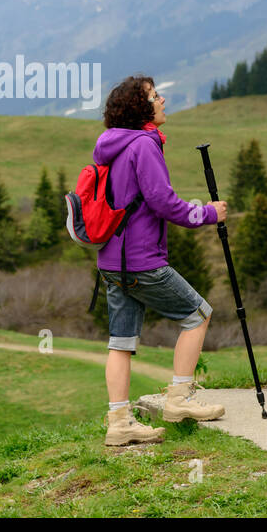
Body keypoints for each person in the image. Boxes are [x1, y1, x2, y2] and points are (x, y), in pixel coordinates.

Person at [95, 75, 228, 447]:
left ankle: (119, 422)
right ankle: (179, 400)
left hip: (111, 261)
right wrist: (207, 213)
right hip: (141, 262)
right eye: (155, 97)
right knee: (198, 314)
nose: (163, 100)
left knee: (120, 342)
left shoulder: (112, 146)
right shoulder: (143, 145)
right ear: (142, 109)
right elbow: (163, 202)